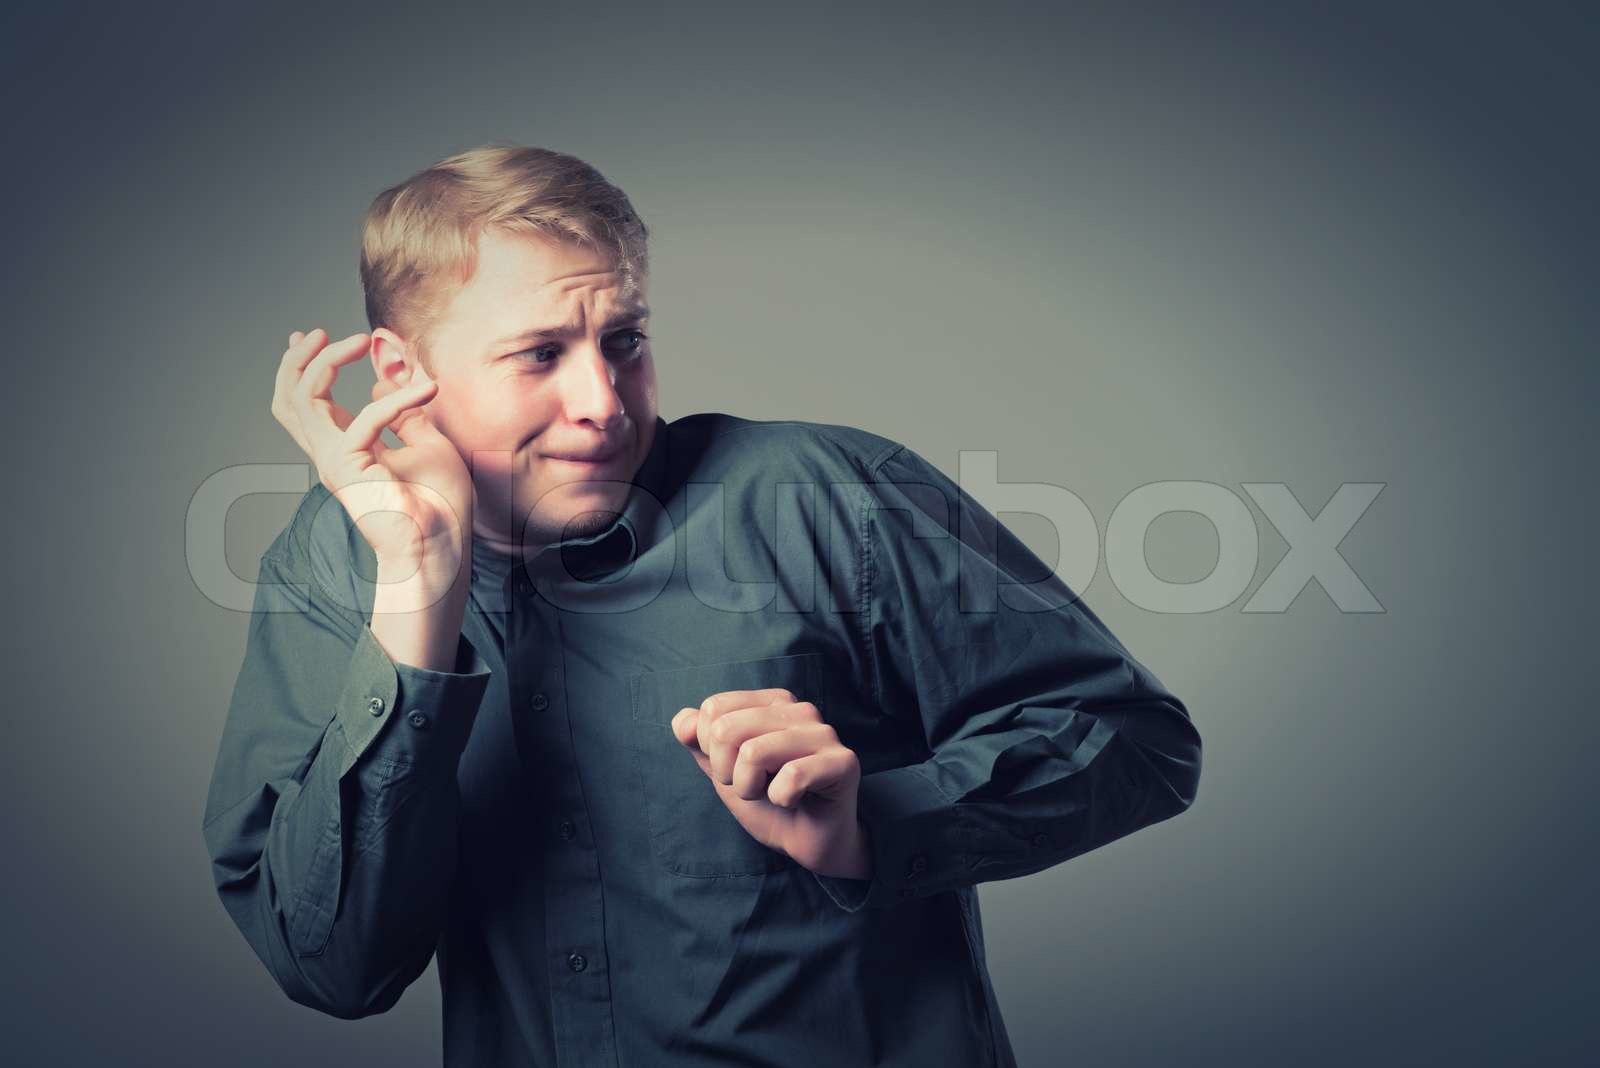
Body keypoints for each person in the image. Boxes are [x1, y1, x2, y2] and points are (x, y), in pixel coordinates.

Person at [201, 144, 1203, 1067]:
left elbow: (1137, 740)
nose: (604, 401)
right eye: (540, 354)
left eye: (624, 340)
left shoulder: (833, 496)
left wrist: (871, 826)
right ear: (399, 373)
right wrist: (418, 590)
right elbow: (332, 967)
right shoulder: (337, 565)